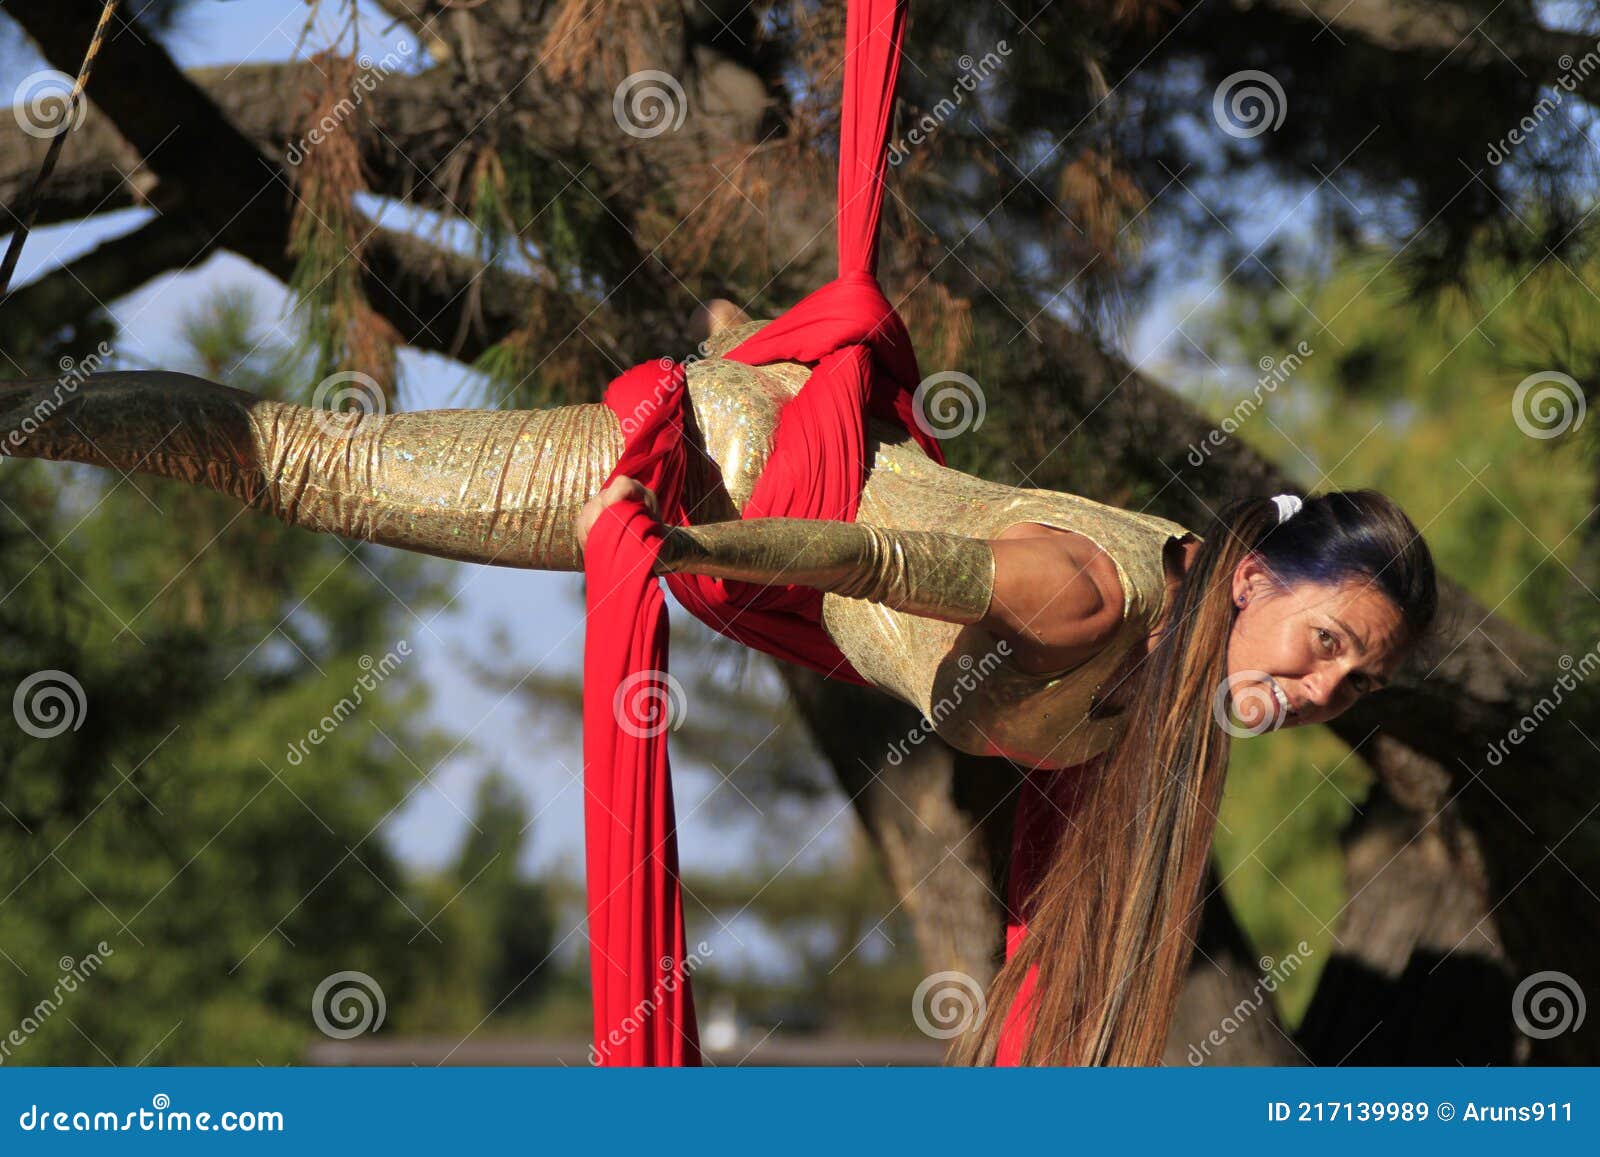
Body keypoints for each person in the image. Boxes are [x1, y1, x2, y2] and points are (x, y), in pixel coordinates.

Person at [0, 301, 1437, 1064]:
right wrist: (675, 539)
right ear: (1256, 576)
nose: (1323, 691)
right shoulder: (1105, 594)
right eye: (1326, 644)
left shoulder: (1193, 673)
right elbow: (876, 554)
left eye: (1354, 682)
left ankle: (743, 319)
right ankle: (27, 412)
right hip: (736, 473)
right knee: (326, 463)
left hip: (821, 500)